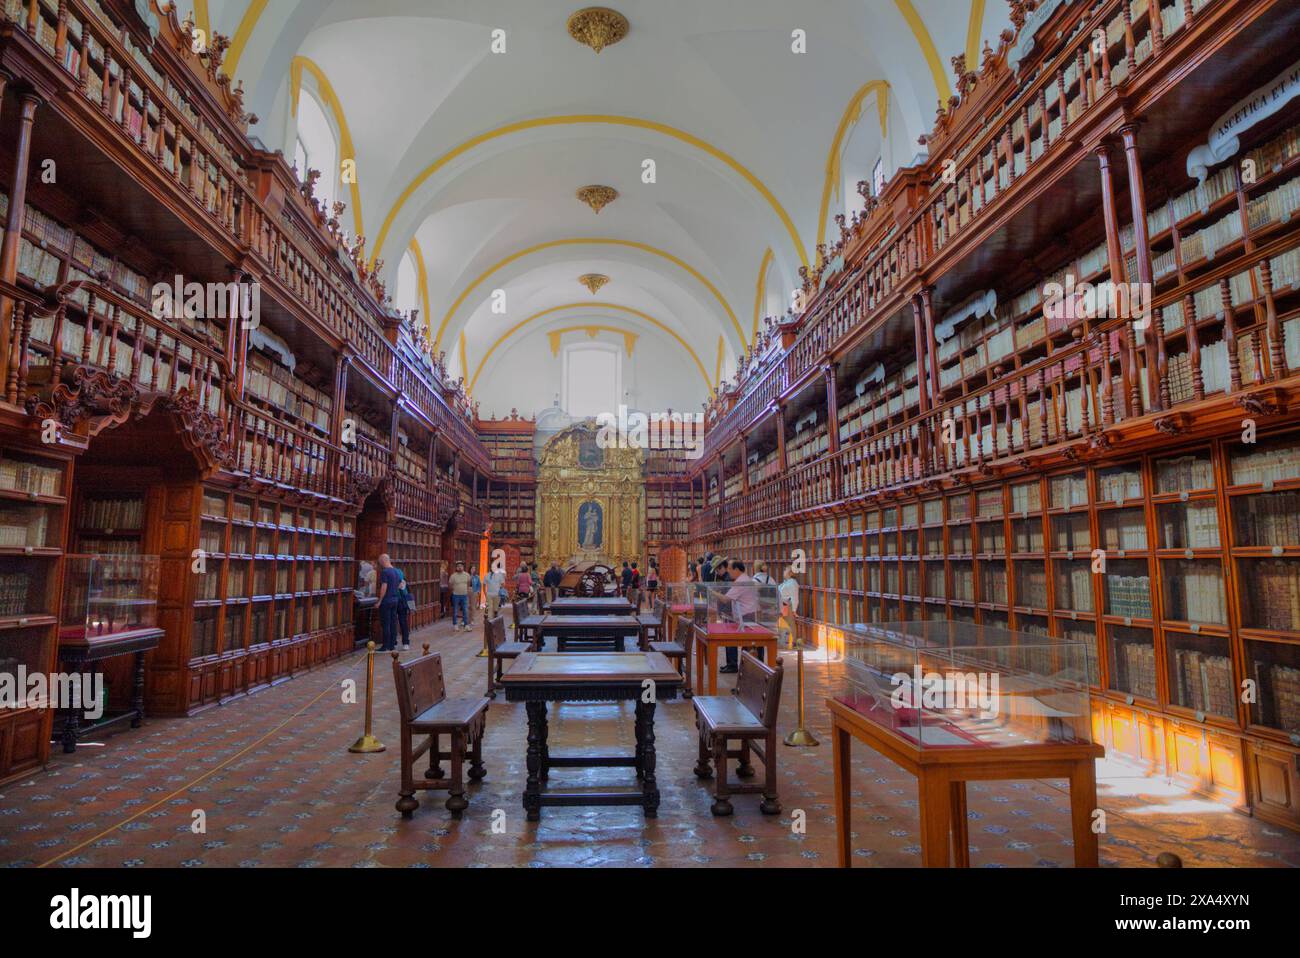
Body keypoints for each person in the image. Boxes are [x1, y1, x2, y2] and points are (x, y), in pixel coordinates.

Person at [721, 560, 758, 673]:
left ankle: (737, 666)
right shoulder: (744, 579)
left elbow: (725, 599)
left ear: (736, 569)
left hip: (746, 616)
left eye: (730, 569)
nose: (728, 572)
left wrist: (711, 591)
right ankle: (738, 666)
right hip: (746, 615)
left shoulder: (741, 582)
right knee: (742, 643)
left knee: (737, 641)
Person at [376, 553, 403, 652]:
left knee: (386, 623)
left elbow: (384, 587)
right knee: (393, 622)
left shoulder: (385, 572)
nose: (380, 565)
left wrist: (380, 601)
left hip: (386, 600)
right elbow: (401, 583)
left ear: (383, 561)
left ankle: (385, 646)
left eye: (380, 563)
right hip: (395, 599)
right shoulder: (396, 571)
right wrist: (394, 589)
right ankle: (392, 645)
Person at [779, 565, 800, 648]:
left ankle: (793, 641)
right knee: (785, 623)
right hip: (783, 605)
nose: (784, 572)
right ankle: (786, 641)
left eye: (785, 570)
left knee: (790, 623)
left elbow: (795, 597)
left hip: (787, 605)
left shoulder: (792, 583)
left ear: (790, 573)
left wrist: (794, 609)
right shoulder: (787, 582)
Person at [394, 564, 413, 650]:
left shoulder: (403, 583)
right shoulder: (403, 581)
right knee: (402, 622)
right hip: (400, 603)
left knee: (401, 622)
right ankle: (404, 642)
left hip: (400, 603)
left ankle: (403, 642)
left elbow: (407, 594)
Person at [449, 561, 471, 631]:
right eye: (458, 566)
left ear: (463, 567)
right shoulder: (453, 576)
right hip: (456, 595)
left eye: (461, 566)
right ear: (456, 567)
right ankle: (455, 625)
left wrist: (466, 590)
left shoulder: (467, 575)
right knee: (455, 610)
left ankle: (466, 625)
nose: (459, 567)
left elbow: (468, 583)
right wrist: (454, 590)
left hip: (464, 595)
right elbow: (450, 584)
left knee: (465, 610)